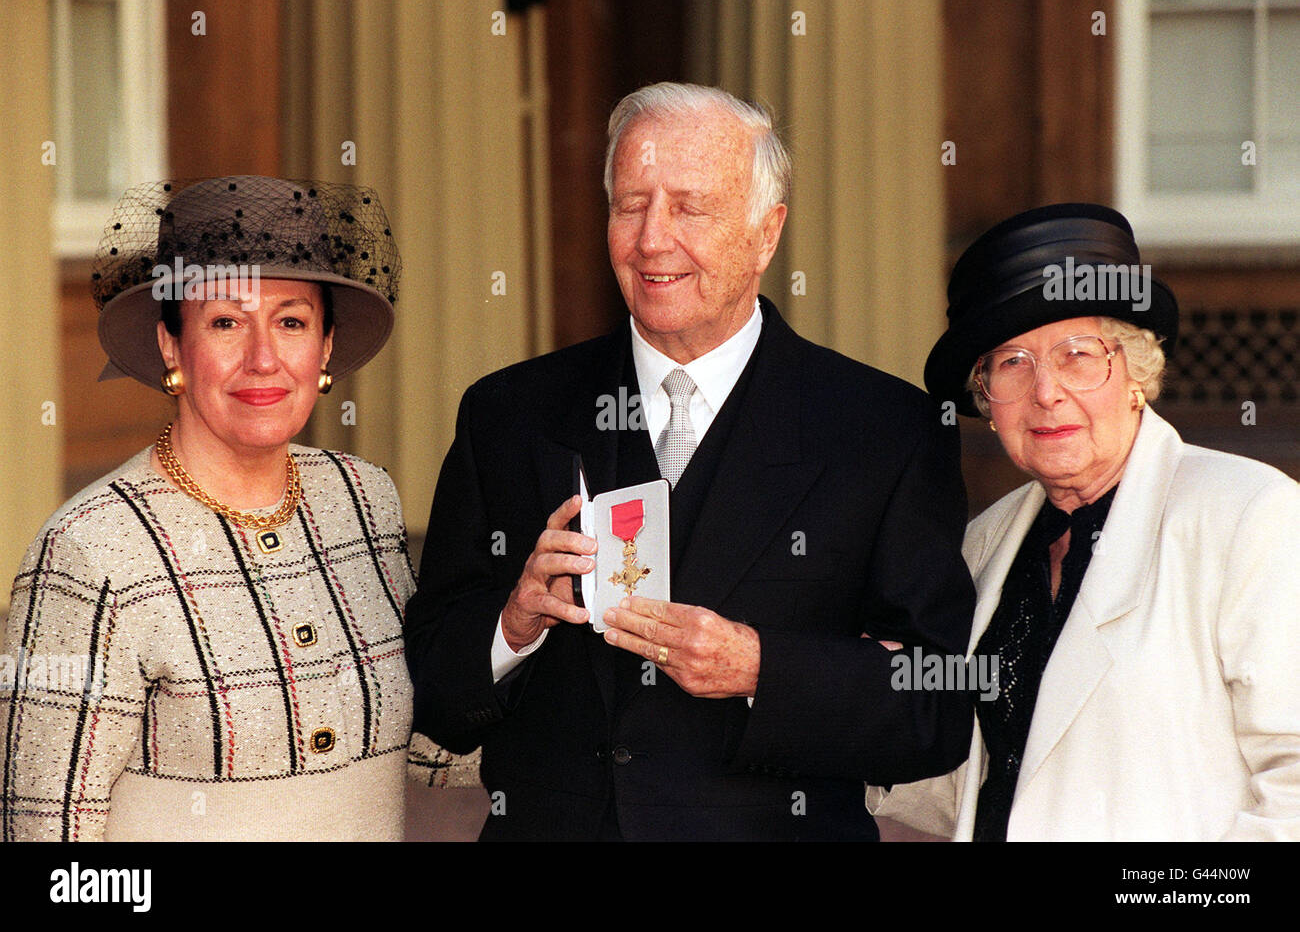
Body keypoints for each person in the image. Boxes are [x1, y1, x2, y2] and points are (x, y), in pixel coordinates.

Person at [404, 82, 976, 841]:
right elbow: (436, 695)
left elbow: (933, 711)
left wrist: (762, 668)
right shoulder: (510, 414)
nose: (651, 239)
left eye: (691, 207)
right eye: (631, 204)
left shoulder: (884, 430)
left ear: (766, 233)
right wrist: (513, 625)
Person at [1, 176, 418, 841]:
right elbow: (44, 837)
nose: (262, 359)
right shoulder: (91, 548)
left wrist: (514, 630)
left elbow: (433, 753)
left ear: (327, 347)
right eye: (225, 321)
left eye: (291, 321)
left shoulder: (363, 501)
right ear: (172, 346)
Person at [872, 203, 1300, 840]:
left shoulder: (1246, 514)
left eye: (1077, 354)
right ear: (986, 399)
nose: (1046, 391)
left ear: (1134, 371)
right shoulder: (984, 543)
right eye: (1012, 363)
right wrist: (861, 696)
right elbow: (985, 788)